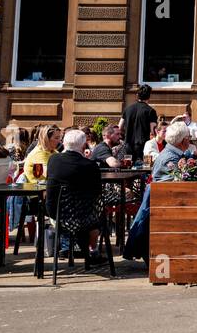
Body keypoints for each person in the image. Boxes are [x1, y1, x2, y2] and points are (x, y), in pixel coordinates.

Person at [125, 121, 195, 260]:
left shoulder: (172, 152)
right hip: (162, 210)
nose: (190, 139)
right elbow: (170, 189)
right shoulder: (171, 157)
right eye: (188, 137)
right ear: (182, 141)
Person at [46, 129, 107, 261]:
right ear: (84, 145)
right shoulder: (90, 166)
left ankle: (72, 246)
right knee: (95, 214)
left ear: (64, 143)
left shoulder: (53, 160)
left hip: (58, 214)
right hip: (86, 218)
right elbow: (97, 193)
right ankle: (93, 250)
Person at [120, 85, 158, 160]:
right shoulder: (150, 111)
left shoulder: (127, 109)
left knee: (129, 168)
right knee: (143, 169)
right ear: (149, 96)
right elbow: (153, 132)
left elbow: (119, 127)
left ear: (137, 95)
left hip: (128, 145)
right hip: (143, 147)